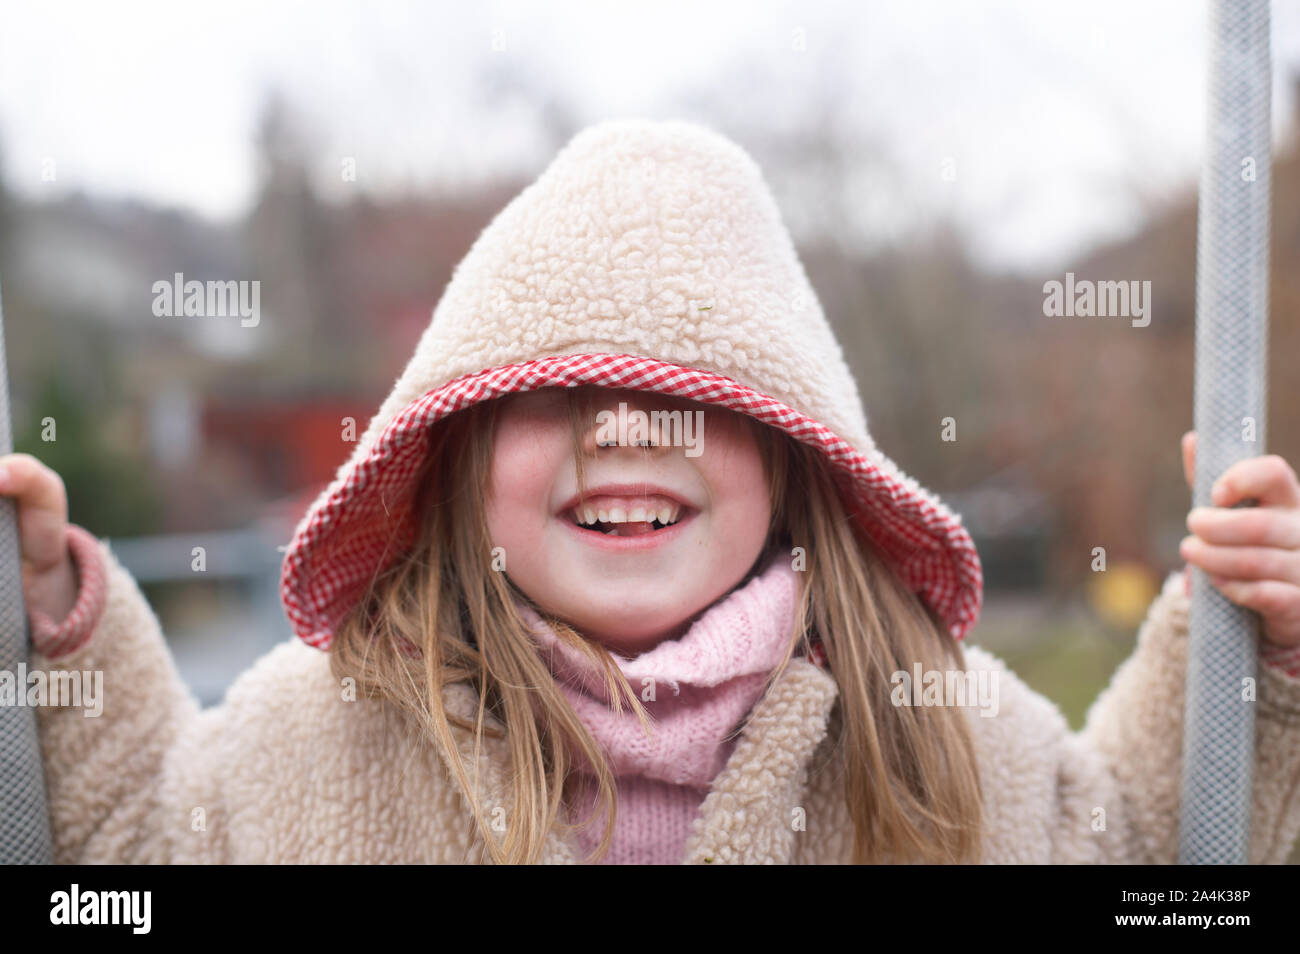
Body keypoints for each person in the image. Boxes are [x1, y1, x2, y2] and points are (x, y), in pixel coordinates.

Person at [7, 119, 1300, 864]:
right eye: (558, 394)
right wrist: (49, 622)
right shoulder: (316, 738)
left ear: (793, 455)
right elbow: (126, 857)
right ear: (458, 452)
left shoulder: (943, 740)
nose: (626, 430)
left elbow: (1154, 852)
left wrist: (1253, 646)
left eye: (699, 399)